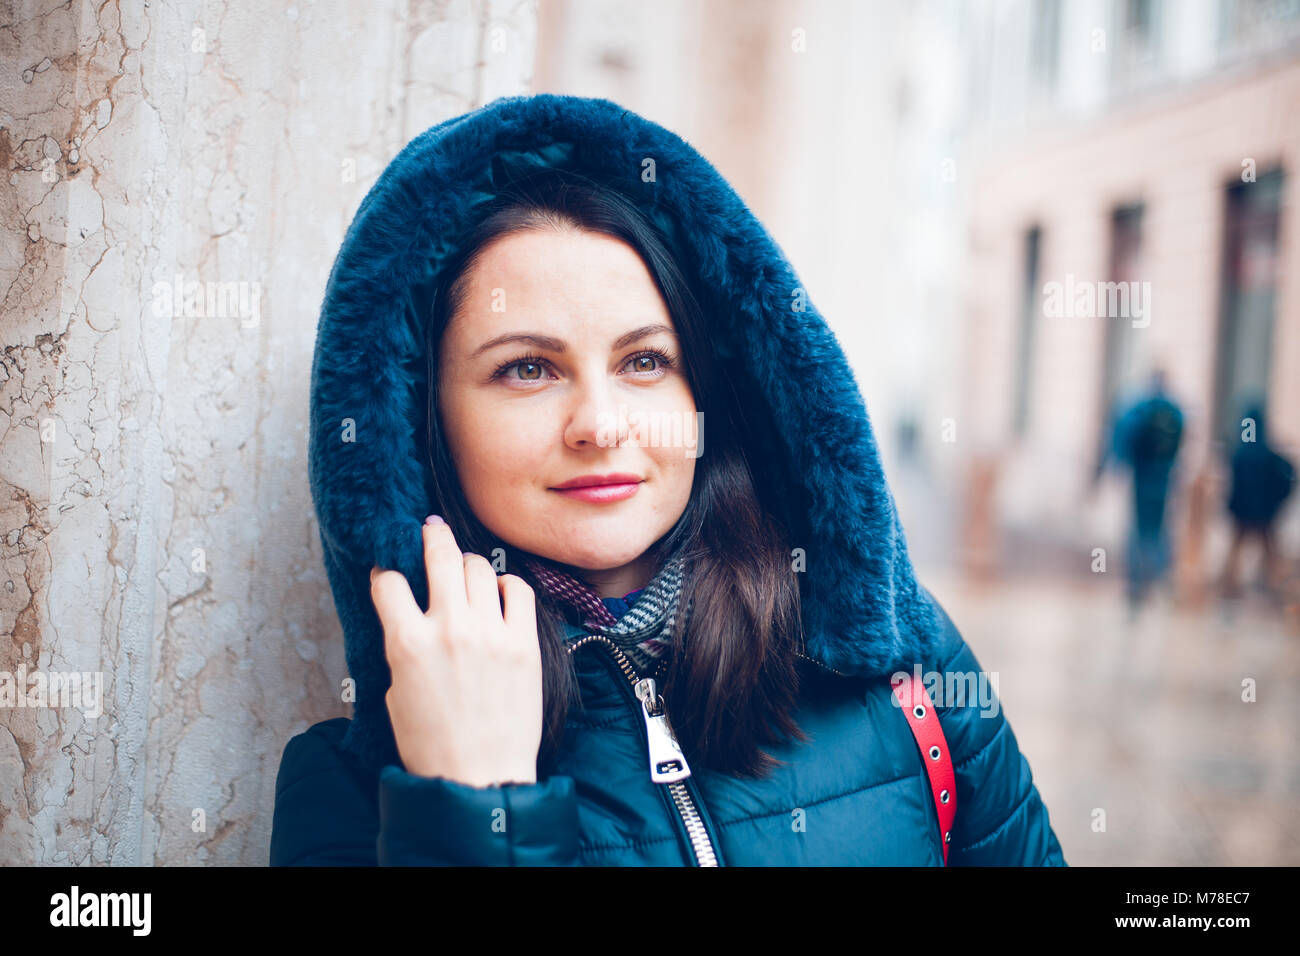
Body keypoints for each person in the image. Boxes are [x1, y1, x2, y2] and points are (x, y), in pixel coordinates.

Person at [270, 94, 1065, 866]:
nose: (601, 424)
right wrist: (472, 809)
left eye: (644, 361)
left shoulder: (904, 671)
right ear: (421, 418)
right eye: (526, 368)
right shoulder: (352, 793)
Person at [1104, 369, 1184, 610]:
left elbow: (1123, 437)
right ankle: (1159, 578)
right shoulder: (1173, 411)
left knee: (1138, 530)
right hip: (1163, 479)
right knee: (1159, 530)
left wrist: (1118, 465)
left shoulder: (1140, 408)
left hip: (1142, 479)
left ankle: (1136, 583)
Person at [1221, 401, 1295, 598]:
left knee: (1253, 552)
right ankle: (1275, 589)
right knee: (1265, 552)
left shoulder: (1241, 454)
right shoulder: (1267, 455)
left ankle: (1234, 587)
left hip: (1249, 512)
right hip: (1262, 513)